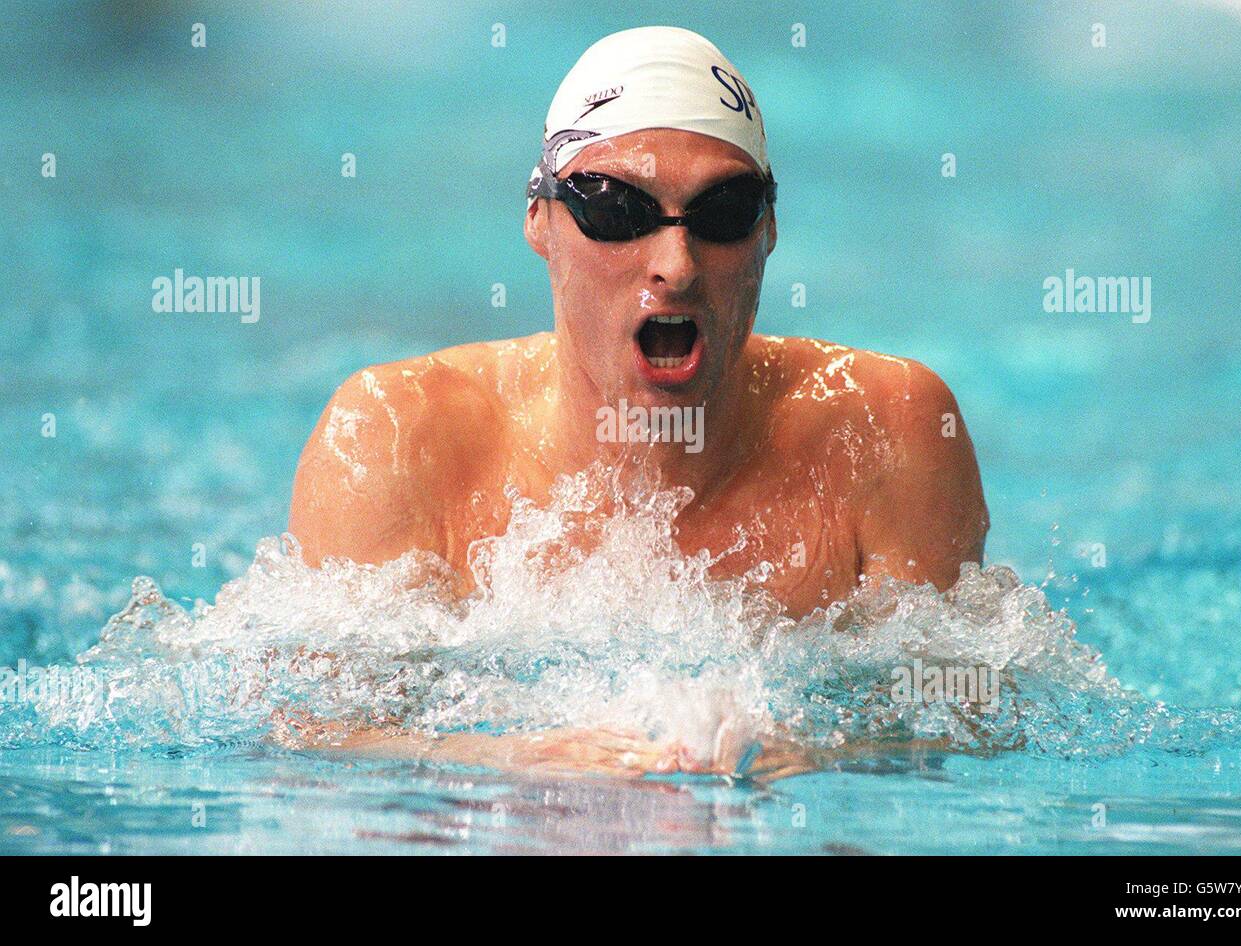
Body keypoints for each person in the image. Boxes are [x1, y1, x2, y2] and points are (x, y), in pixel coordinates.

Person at [284, 26, 989, 776]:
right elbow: (314, 737)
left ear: (770, 228)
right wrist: (507, 761)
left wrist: (825, 757)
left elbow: (974, 717)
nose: (675, 266)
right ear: (539, 220)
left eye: (723, 213)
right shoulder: (394, 438)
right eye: (618, 210)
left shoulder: (887, 430)